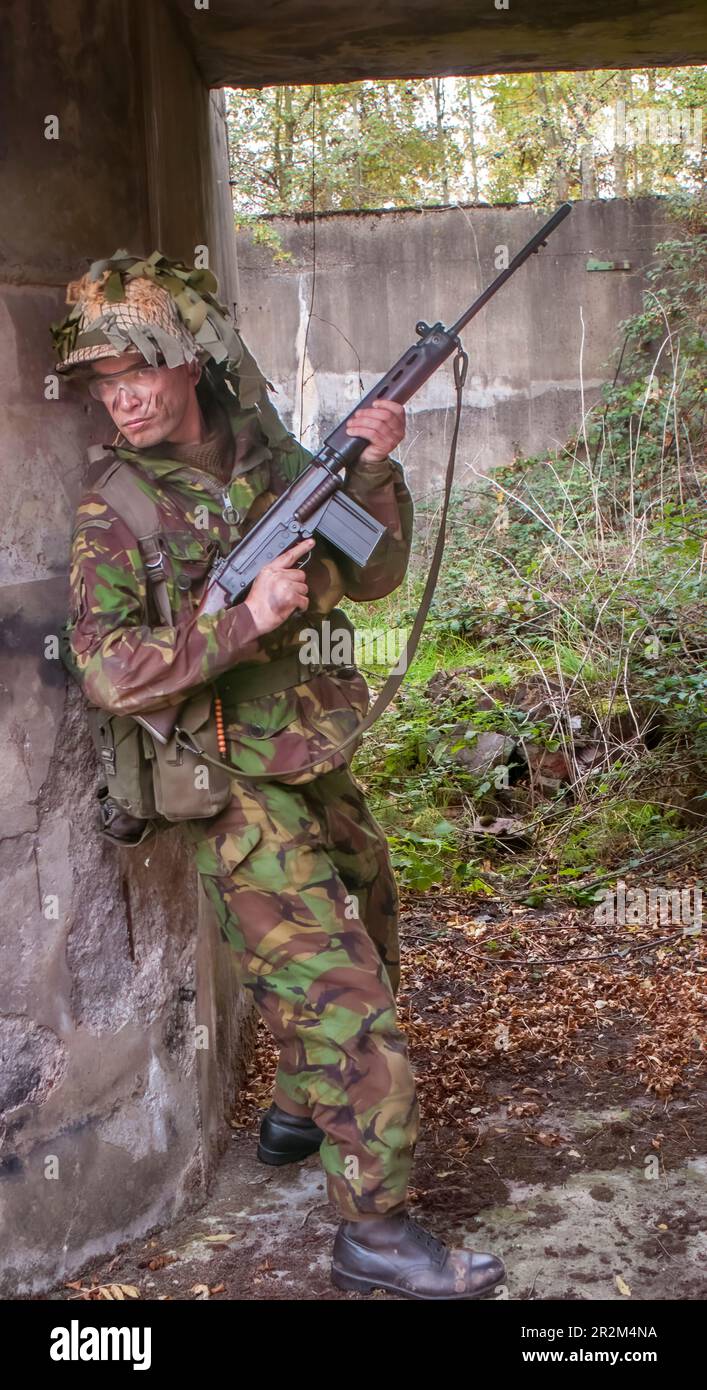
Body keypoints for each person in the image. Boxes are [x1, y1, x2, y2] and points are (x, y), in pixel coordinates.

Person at [53, 250, 506, 1299]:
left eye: (137, 370)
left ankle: (303, 1106)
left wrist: (373, 466)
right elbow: (108, 672)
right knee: (348, 1003)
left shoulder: (263, 450)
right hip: (224, 777)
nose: (119, 396)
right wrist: (239, 620)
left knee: (375, 897)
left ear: (190, 365)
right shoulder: (111, 510)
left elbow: (376, 577)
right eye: (100, 380)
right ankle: (375, 1232)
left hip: (304, 749)